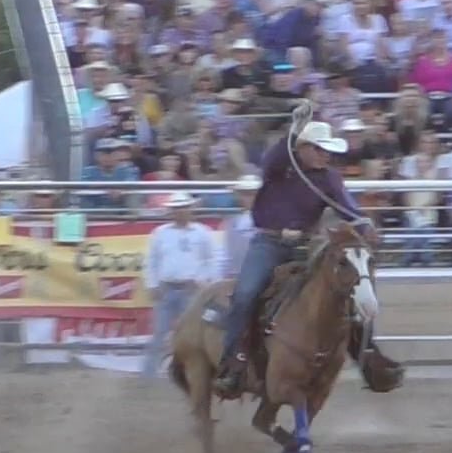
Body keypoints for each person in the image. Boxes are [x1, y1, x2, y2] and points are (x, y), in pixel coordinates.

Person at [212, 110, 376, 398]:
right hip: (269, 243)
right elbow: (273, 158)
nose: (326, 156)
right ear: (303, 148)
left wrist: (363, 222)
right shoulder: (281, 167)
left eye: (328, 151)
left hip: (306, 244)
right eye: (320, 149)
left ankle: (368, 357)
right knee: (245, 294)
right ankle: (233, 362)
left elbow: (346, 206)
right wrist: (296, 127)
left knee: (349, 285)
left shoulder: (329, 178)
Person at [141, 192, 220, 379]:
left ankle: (193, 372)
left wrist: (206, 283)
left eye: (184, 207)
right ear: (171, 211)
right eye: (177, 208)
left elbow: (213, 260)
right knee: (160, 332)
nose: (180, 211)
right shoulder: (160, 233)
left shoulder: (203, 232)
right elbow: (151, 260)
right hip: (167, 288)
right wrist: (152, 285)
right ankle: (149, 374)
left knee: (193, 333)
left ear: (191, 209)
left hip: (191, 290)